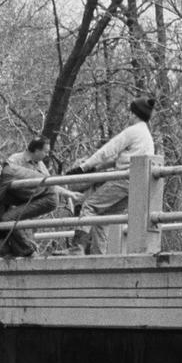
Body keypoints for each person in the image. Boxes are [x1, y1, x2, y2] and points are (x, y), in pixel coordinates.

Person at [69, 97, 156, 255]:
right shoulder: (146, 136)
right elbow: (124, 159)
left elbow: (107, 151)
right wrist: (99, 166)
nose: (129, 116)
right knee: (103, 215)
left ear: (135, 114)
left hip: (124, 180)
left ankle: (77, 249)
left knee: (89, 206)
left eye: (130, 113)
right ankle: (99, 255)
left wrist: (84, 167)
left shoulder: (133, 131)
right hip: (139, 183)